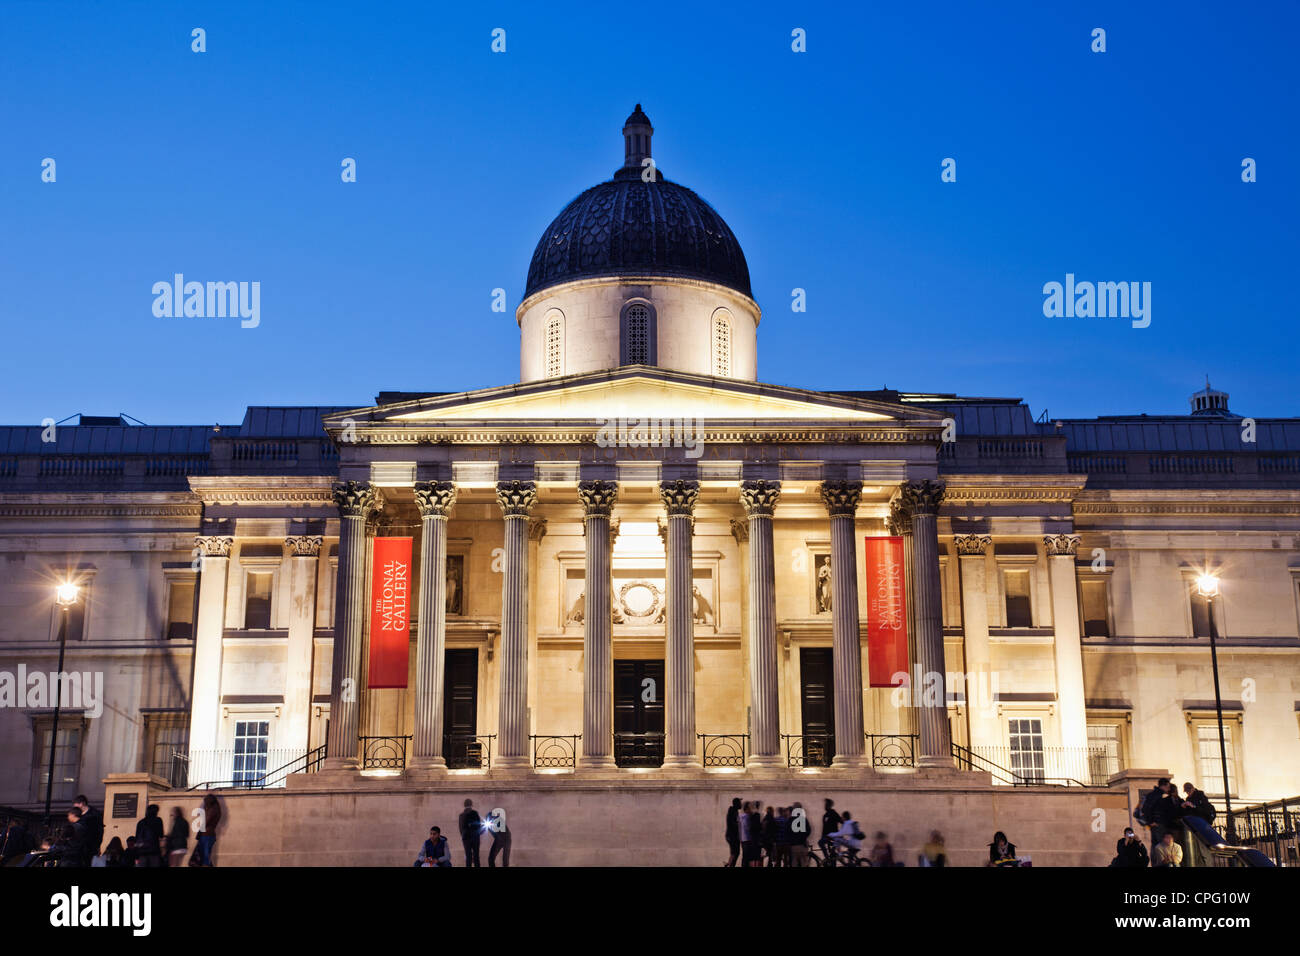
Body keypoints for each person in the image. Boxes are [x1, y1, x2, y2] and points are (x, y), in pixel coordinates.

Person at [1137, 777, 1181, 856]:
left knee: (1156, 846)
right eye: (1168, 786)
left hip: (1156, 825)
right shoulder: (1159, 795)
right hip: (1159, 825)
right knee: (1162, 847)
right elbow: (1148, 809)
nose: (1168, 788)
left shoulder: (1153, 794)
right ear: (1164, 786)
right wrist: (1152, 821)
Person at [74, 795, 104, 860]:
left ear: (82, 803)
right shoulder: (77, 815)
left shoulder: (95, 814)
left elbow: (100, 831)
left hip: (91, 847)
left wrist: (97, 846)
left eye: (76, 806)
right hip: (79, 848)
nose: (75, 809)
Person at [197, 794, 221, 866]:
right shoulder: (215, 809)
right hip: (208, 835)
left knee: (205, 857)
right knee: (205, 856)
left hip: (207, 835)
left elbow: (206, 822)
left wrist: (205, 810)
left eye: (205, 802)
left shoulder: (212, 810)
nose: (204, 804)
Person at [458, 799, 482, 868]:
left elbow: (460, 828)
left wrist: (463, 836)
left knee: (468, 856)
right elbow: (479, 825)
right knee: (476, 856)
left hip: (466, 838)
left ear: (464, 805)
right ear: (471, 804)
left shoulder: (461, 815)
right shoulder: (475, 813)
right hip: (475, 837)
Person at [820, 799, 842, 867]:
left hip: (833, 837)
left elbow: (841, 821)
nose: (825, 806)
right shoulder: (825, 815)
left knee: (832, 855)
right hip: (827, 837)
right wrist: (822, 836)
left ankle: (828, 859)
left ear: (829, 805)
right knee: (821, 843)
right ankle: (827, 859)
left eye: (826, 804)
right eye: (825, 804)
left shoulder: (833, 813)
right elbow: (824, 828)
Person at [788, 802, 810, 868]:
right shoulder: (803, 819)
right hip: (802, 845)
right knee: (804, 863)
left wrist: (790, 840)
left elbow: (787, 831)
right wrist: (804, 837)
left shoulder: (791, 819)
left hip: (794, 845)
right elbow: (808, 830)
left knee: (794, 864)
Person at [724, 797, 741, 867]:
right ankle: (729, 865)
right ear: (737, 804)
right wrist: (739, 824)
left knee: (735, 852)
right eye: (740, 803)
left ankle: (729, 864)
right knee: (735, 852)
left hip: (732, 835)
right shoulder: (733, 811)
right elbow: (733, 824)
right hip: (732, 835)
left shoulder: (734, 811)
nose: (741, 804)